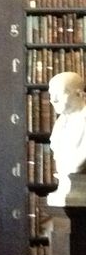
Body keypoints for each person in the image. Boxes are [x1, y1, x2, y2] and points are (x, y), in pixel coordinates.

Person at [47, 71, 86, 205]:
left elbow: (76, 165)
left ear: (79, 94)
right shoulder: (59, 124)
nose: (53, 99)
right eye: (51, 94)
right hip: (66, 190)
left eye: (60, 93)